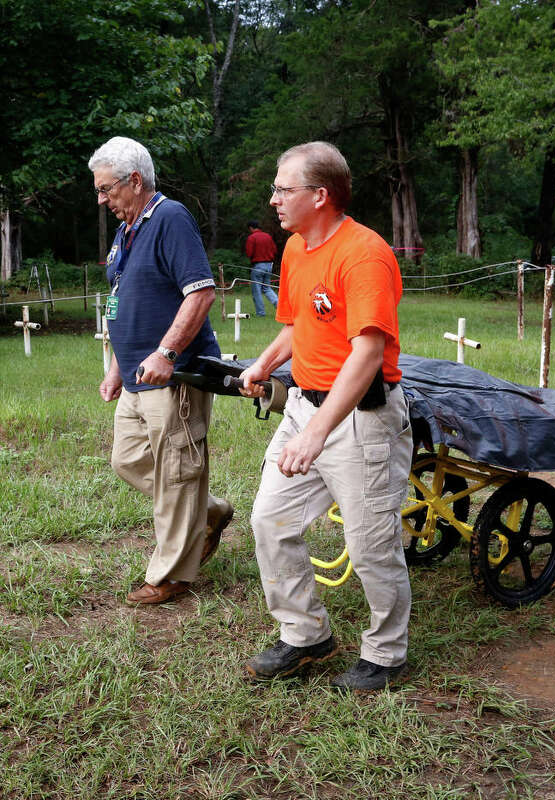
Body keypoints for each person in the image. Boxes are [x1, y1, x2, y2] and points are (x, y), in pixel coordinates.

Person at [238, 141, 412, 693]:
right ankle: (307, 634)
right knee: (270, 520)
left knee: (370, 547)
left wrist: (317, 433)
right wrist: (262, 365)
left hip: (360, 422)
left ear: (321, 194)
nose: (274, 200)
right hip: (302, 408)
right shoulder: (295, 248)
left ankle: (386, 652)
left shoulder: (364, 254)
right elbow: (295, 326)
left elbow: (367, 353)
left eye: (283, 189)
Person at [90, 136, 234, 606]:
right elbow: (123, 302)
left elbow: (201, 292)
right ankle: (207, 513)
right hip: (134, 375)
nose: (102, 199)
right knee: (127, 460)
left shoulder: (169, 218)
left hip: (175, 376)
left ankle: (172, 574)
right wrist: (117, 365)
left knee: (175, 473)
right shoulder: (127, 230)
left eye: (107, 189)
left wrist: (167, 353)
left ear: (135, 181)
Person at [244, 220, 279, 317]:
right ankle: (280, 307)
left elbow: (249, 253)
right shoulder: (267, 236)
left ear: (251, 228)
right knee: (267, 288)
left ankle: (261, 313)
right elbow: (275, 250)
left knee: (257, 290)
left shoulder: (252, 237)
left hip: (258, 266)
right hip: (269, 265)